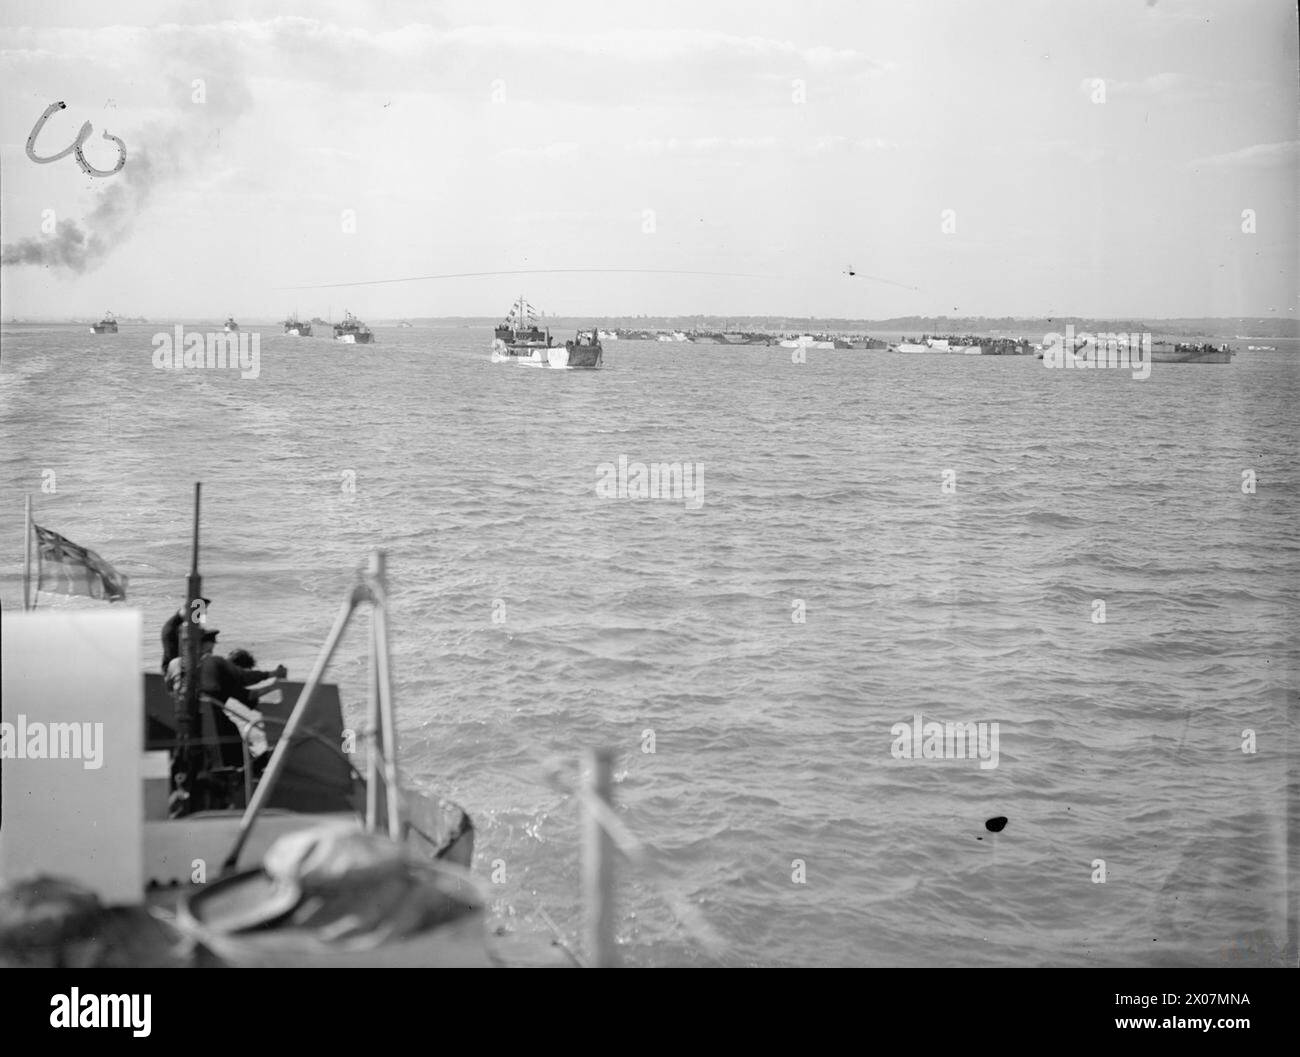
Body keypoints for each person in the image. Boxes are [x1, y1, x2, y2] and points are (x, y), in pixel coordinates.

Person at [196, 636, 287, 767]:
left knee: (233, 733)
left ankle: (242, 764)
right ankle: (241, 767)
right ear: (239, 667)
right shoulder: (224, 668)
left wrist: (273, 687)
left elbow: (250, 697)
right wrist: (273, 677)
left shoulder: (224, 678)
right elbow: (247, 682)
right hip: (211, 712)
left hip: (205, 711)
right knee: (232, 735)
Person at [160, 597, 212, 674]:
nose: (205, 613)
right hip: (175, 672)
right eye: (202, 611)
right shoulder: (172, 629)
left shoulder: (185, 624)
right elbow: (173, 658)